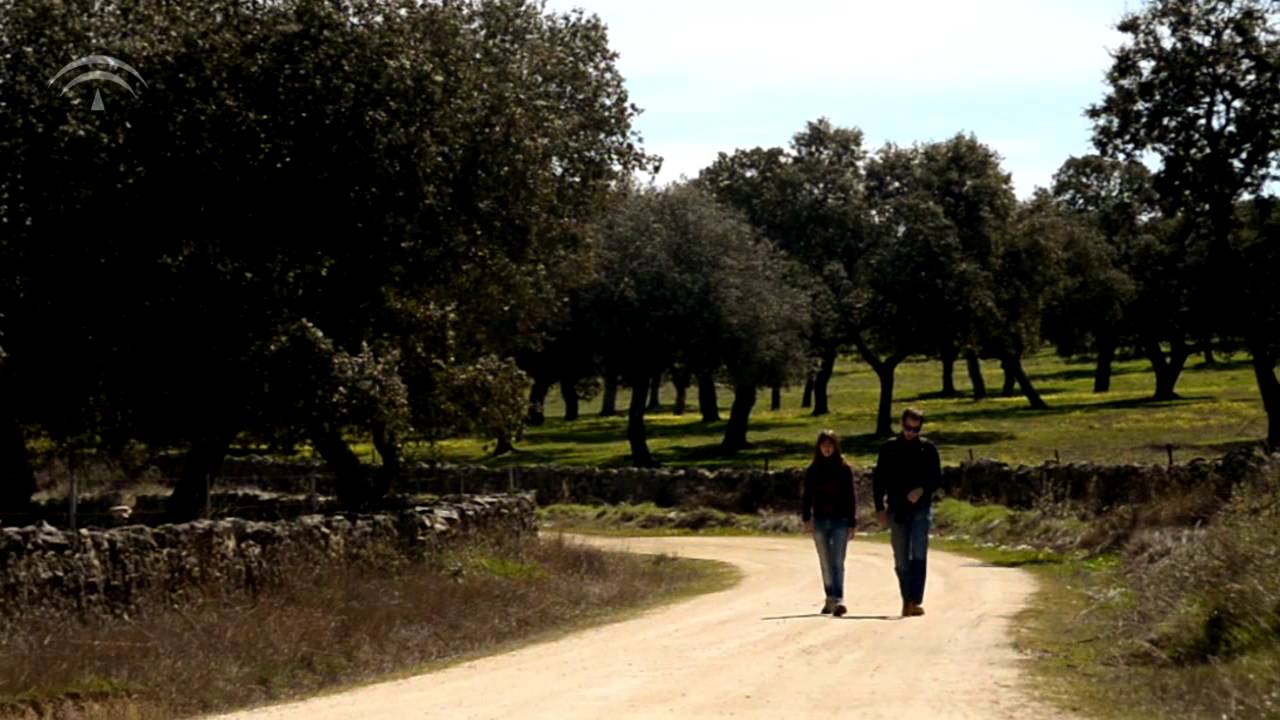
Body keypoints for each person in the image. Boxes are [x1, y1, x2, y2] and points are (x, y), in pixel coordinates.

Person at [873, 408, 941, 618]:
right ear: (901, 425)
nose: (911, 432)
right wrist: (879, 509)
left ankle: (914, 599)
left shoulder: (928, 449)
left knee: (919, 555)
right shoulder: (889, 449)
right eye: (908, 427)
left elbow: (936, 478)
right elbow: (879, 480)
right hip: (897, 510)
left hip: (920, 509)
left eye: (916, 428)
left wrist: (921, 490)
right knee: (901, 558)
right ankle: (907, 599)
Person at [801, 429, 857, 617]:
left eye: (830, 445)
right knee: (825, 561)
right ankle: (830, 597)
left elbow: (850, 496)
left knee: (838, 561)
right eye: (824, 445)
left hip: (840, 520)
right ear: (819, 447)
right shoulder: (813, 470)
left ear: (835, 447)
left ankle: (839, 599)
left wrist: (852, 522)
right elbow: (807, 496)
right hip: (820, 520)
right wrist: (806, 519)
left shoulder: (844, 469)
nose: (827, 448)